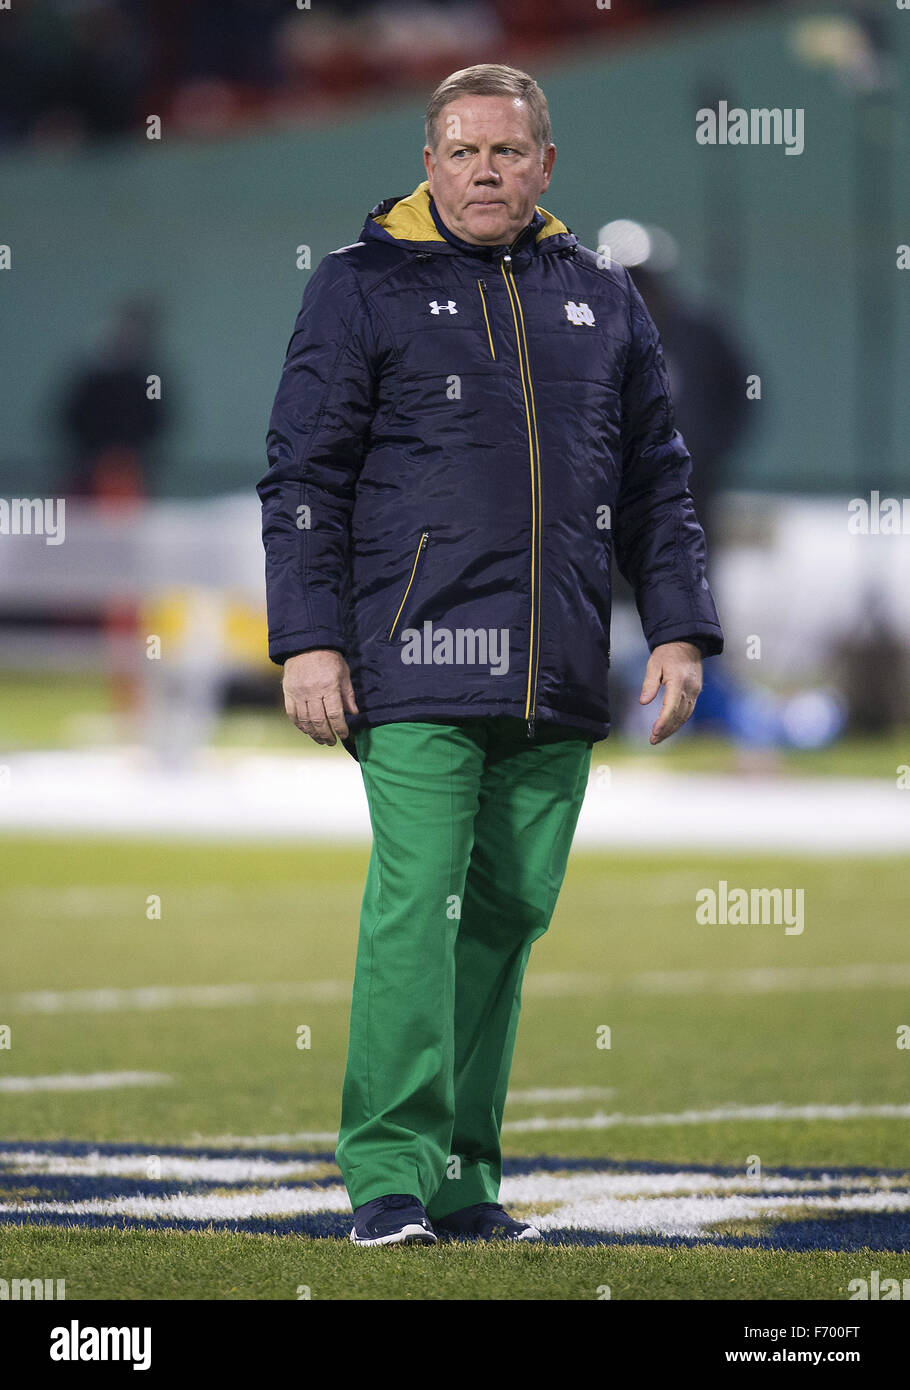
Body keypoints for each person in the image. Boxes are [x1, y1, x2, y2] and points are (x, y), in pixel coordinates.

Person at [258, 63, 723, 1247]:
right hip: (412, 657)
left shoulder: (604, 298)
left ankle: (464, 1177)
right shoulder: (359, 289)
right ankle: (389, 1179)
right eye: (460, 151)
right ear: (427, 163)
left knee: (507, 916)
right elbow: (303, 479)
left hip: (556, 669)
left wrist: (676, 624)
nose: (483, 170)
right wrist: (308, 638)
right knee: (419, 905)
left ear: (545, 166)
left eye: (506, 152)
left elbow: (657, 479)